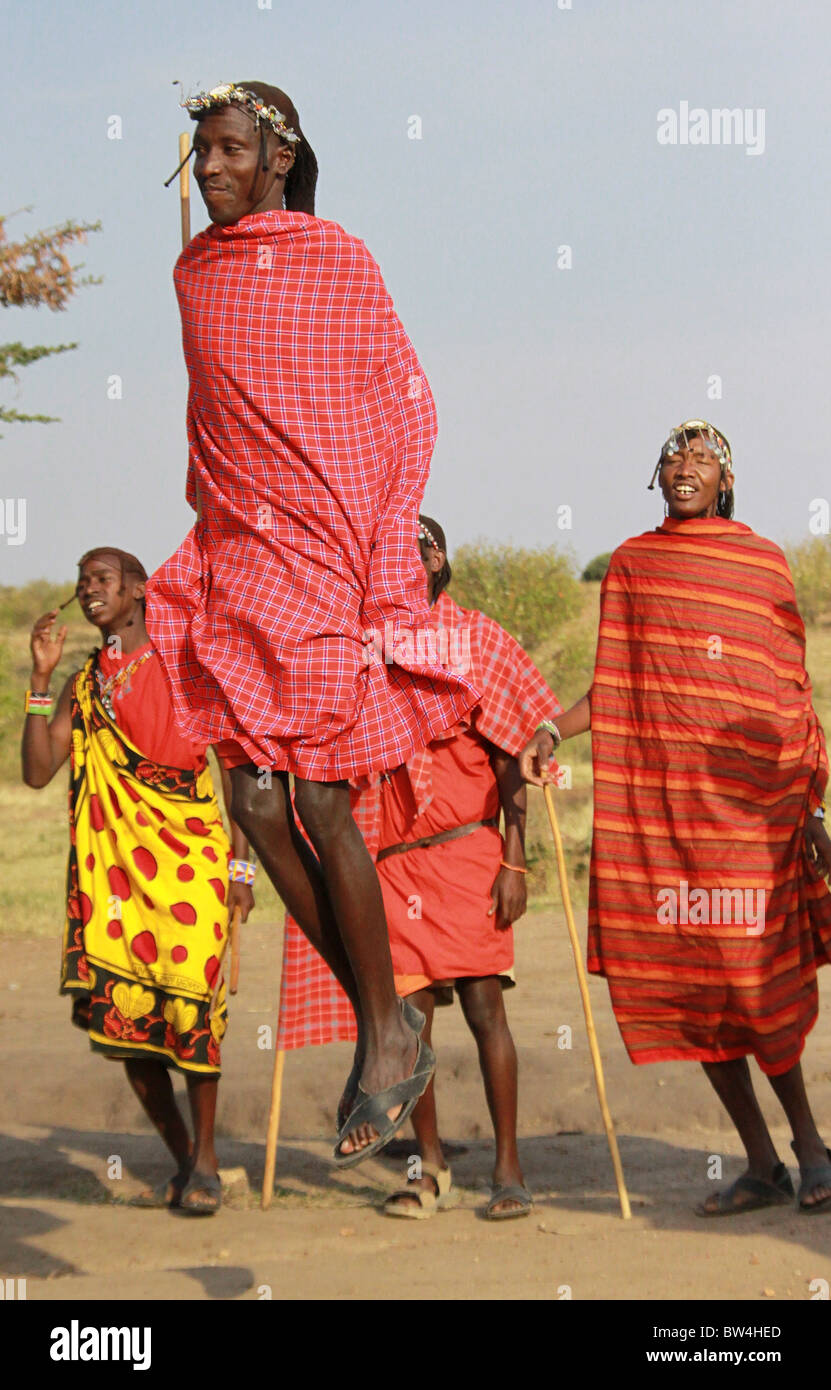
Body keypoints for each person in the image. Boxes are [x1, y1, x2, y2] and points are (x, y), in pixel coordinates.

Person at [148, 83, 478, 1164]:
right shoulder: (197, 272)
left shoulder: (338, 261)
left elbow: (395, 398)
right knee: (250, 794)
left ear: (279, 158)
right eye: (201, 153)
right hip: (241, 552)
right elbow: (214, 416)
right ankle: (388, 1017)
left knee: (323, 796)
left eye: (231, 150)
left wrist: (383, 544)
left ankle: (387, 1034)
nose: (210, 169)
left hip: (327, 553)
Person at [520, 421, 831, 1215]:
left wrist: (810, 808)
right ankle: (762, 1165)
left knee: (756, 987)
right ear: (655, 478)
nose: (684, 468)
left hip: (748, 824)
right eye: (671, 458)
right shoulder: (631, 567)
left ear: (725, 482)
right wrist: (551, 727)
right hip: (665, 831)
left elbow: (786, 692)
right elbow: (617, 689)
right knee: (695, 991)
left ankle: (810, 1147)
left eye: (702, 460)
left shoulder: (760, 562)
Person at [23, 548, 254, 1214]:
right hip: (115, 875)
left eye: (102, 579)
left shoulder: (187, 665)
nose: (88, 589)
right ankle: (186, 1159)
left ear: (139, 589)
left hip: (191, 862)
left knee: (192, 1010)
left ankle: (207, 1162)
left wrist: (241, 865)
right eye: (82, 581)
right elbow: (39, 772)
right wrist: (41, 682)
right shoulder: (83, 681)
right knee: (126, 1020)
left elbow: (236, 769)